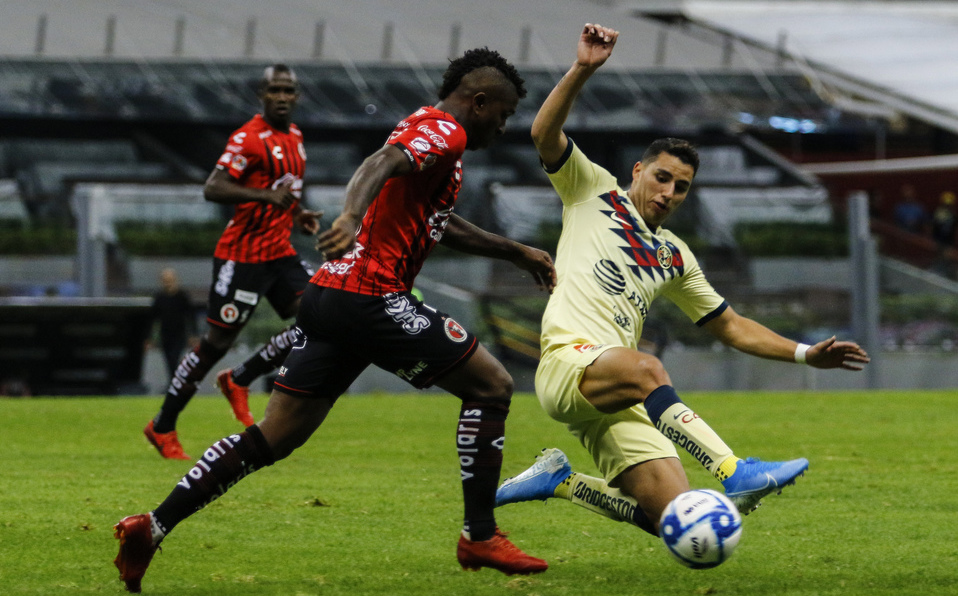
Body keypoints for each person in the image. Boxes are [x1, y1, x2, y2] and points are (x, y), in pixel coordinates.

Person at [113, 47, 558, 592]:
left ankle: (151, 527)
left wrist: (515, 251)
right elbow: (380, 163)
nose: (504, 125)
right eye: (505, 113)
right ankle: (480, 535)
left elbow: (435, 221)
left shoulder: (426, 125)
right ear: (481, 101)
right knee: (492, 385)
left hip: (331, 295)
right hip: (371, 298)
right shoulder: (448, 133)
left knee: (274, 437)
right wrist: (349, 214)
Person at [494, 24, 870, 542]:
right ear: (639, 170)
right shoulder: (593, 192)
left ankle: (560, 481)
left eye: (683, 187)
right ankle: (733, 471)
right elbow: (543, 134)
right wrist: (583, 68)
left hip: (616, 391)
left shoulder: (675, 256)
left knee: (675, 519)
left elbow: (733, 328)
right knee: (648, 365)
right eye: (663, 177)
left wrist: (807, 354)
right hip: (567, 363)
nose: (670, 192)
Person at [143, 64, 323, 460]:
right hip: (242, 256)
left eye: (288, 90)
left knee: (322, 313)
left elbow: (284, 191)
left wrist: (299, 214)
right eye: (274, 89)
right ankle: (162, 425)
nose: (281, 96)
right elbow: (213, 187)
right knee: (215, 344)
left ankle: (240, 378)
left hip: (280, 251)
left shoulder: (294, 137)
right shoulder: (247, 138)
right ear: (261, 94)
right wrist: (263, 199)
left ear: (296, 96)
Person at [147, 268, 198, 379]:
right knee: (169, 361)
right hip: (165, 334)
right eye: (165, 280)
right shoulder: (159, 297)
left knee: (174, 358)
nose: (168, 283)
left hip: (179, 334)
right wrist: (150, 337)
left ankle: (175, 383)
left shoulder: (182, 296)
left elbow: (190, 316)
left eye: (170, 280)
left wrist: (193, 334)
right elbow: (153, 319)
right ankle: (174, 383)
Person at [930, 191, 957, 277]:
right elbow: (934, 227)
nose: (948, 206)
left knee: (947, 257)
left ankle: (947, 272)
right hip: (938, 240)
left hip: (949, 241)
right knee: (940, 256)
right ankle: (937, 271)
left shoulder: (953, 215)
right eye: (946, 205)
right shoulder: (938, 213)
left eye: (949, 205)